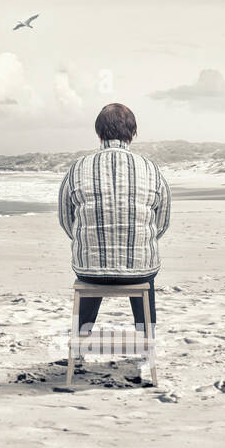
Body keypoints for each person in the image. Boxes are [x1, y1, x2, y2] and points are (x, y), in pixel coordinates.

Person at [57, 103, 170, 335]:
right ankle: (146, 344)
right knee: (144, 274)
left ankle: (79, 343)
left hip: (88, 269)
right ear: (132, 132)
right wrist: (142, 238)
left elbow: (66, 219)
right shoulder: (150, 168)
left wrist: (88, 239)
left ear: (99, 132)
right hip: (141, 269)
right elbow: (162, 221)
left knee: (93, 267)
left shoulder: (78, 167)